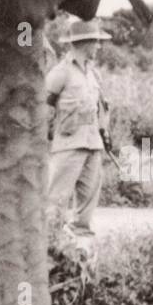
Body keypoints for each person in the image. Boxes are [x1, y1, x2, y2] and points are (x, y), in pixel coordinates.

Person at [45, 18, 113, 241]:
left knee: (88, 201)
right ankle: (49, 243)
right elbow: (43, 105)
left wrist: (105, 132)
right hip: (68, 143)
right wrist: (44, 135)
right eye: (95, 42)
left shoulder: (93, 74)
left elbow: (100, 107)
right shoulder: (61, 72)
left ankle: (82, 244)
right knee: (56, 198)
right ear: (85, 43)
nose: (98, 47)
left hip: (93, 143)